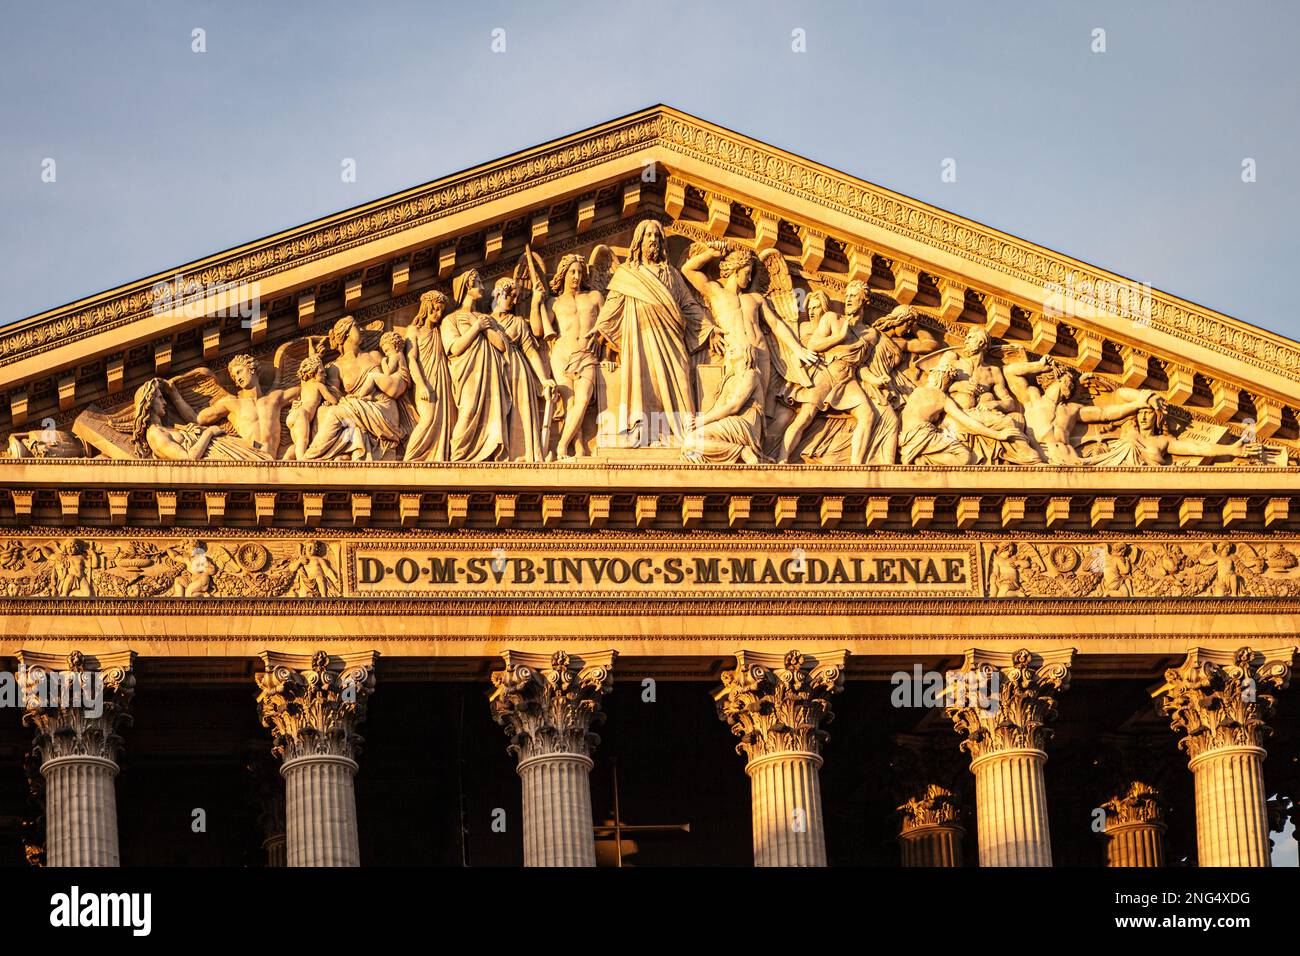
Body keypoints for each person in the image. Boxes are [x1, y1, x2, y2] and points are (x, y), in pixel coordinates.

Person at [591, 220, 715, 447]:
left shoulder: (672, 274)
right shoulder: (627, 275)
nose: (653, 240)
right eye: (648, 235)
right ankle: (642, 429)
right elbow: (612, 306)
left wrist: (710, 329)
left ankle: (685, 431)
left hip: (672, 338)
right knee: (643, 380)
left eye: (657, 236)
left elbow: (688, 306)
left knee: (681, 380)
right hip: (639, 339)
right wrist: (598, 329)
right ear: (639, 241)